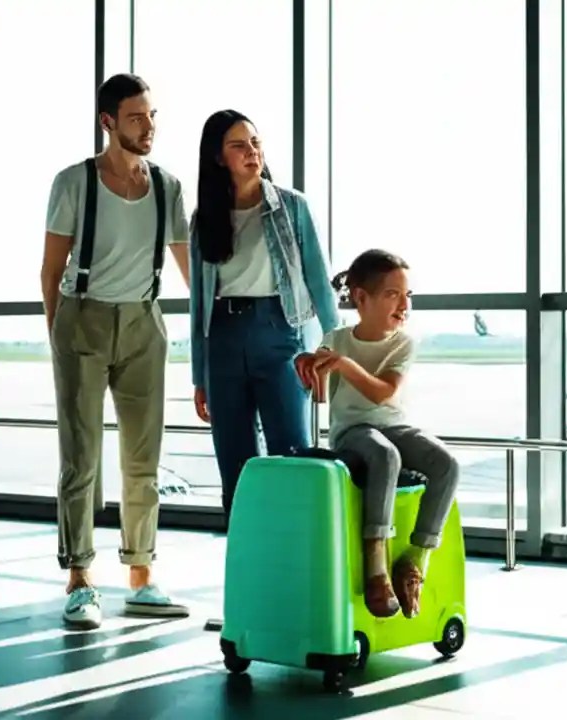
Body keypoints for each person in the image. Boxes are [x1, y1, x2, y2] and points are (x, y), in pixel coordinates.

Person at [41, 73, 191, 628]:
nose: (148, 126)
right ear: (108, 122)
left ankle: (141, 575)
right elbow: (50, 270)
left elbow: (187, 266)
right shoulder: (73, 182)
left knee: (142, 460)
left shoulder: (170, 186)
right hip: (82, 317)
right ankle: (80, 577)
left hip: (143, 323)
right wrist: (62, 335)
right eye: (136, 117)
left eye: (151, 116)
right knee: (82, 457)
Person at [188, 109, 341, 518]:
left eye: (255, 142)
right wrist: (199, 375)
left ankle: (300, 550)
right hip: (222, 337)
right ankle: (247, 555)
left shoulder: (291, 207)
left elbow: (318, 280)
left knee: (292, 450)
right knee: (234, 458)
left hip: (280, 334)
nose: (251, 152)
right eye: (238, 145)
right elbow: (199, 303)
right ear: (219, 157)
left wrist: (333, 344)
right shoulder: (204, 219)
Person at [295, 250, 460, 619]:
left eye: (408, 296)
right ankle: (376, 565)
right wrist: (308, 367)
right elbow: (321, 395)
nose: (404, 305)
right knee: (384, 456)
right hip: (352, 433)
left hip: (394, 426)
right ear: (361, 298)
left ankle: (415, 560)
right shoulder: (334, 339)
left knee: (446, 464)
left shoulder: (403, 343)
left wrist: (344, 365)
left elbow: (384, 392)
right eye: (393, 295)